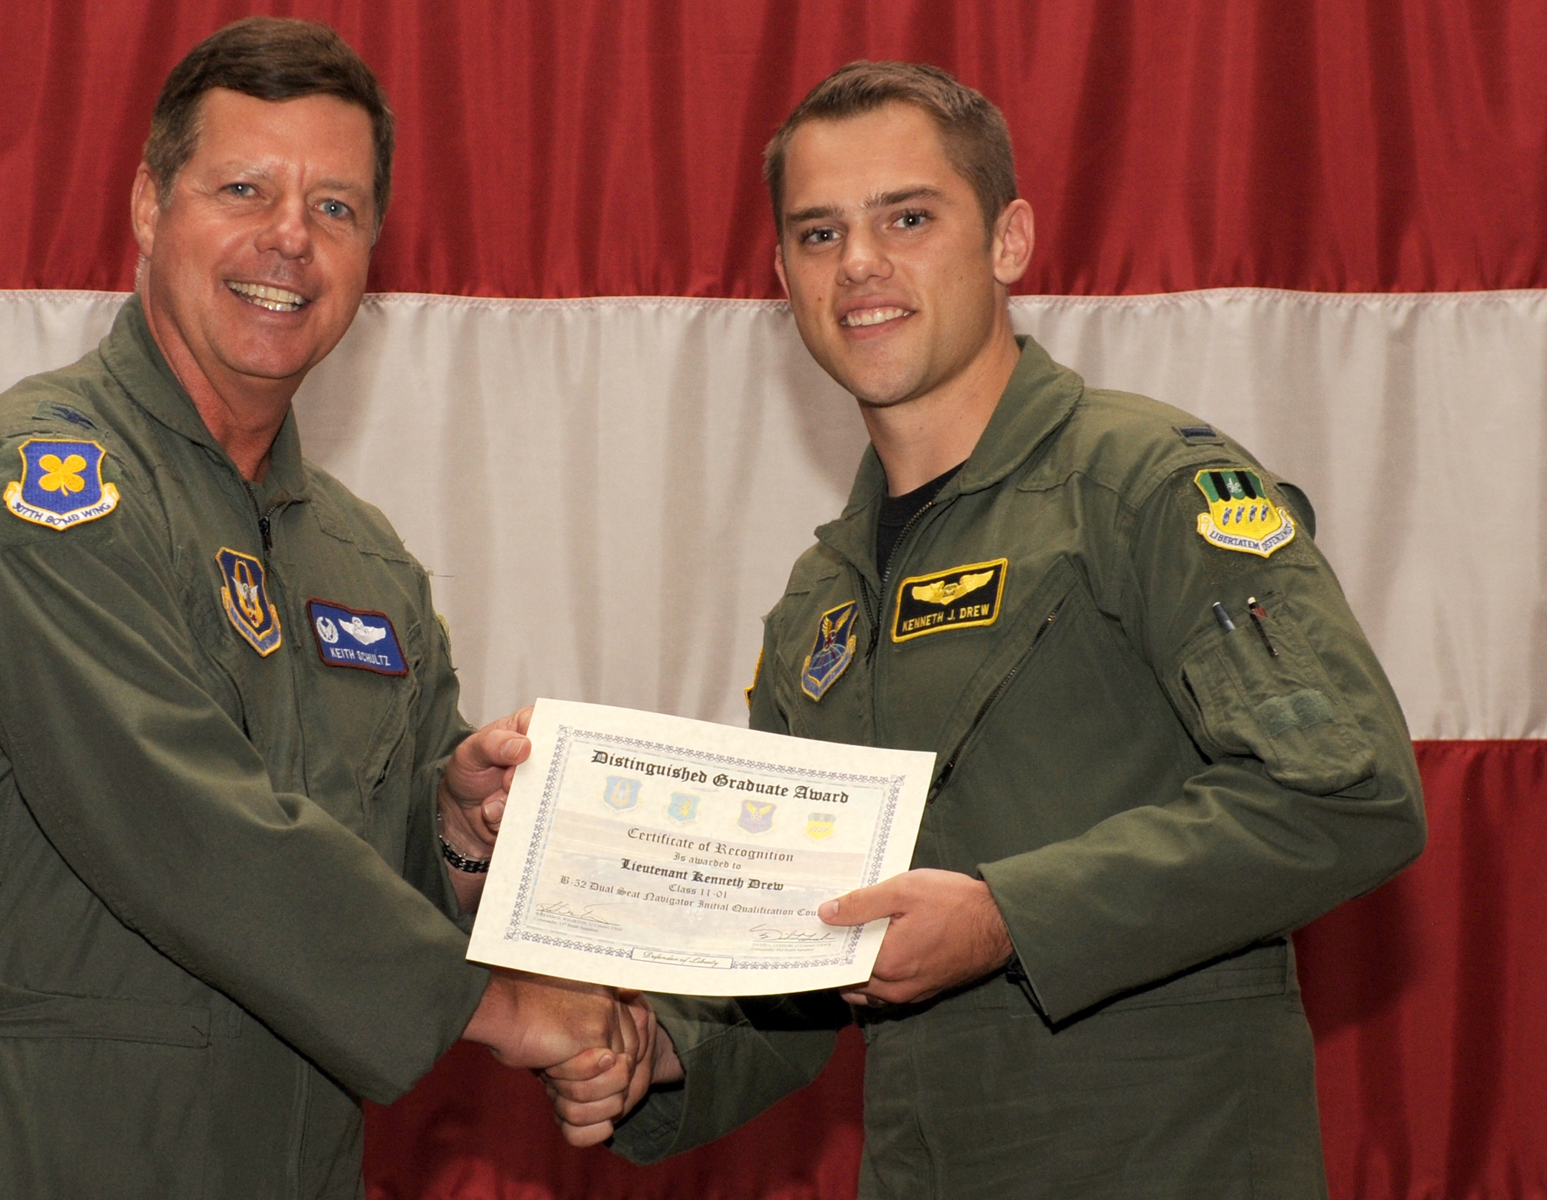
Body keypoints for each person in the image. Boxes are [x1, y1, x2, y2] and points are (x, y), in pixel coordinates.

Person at [552, 61, 1427, 1197]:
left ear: (1009, 240)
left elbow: (1346, 795)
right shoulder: (821, 603)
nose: (860, 262)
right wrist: (659, 1055)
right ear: (781, 278)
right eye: (819, 235)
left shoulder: (1148, 490)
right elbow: (796, 960)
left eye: (907, 218)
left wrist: (1010, 918)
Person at [0, 19, 642, 1198]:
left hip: (295, 1154)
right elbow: (179, 822)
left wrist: (460, 834)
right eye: (244, 188)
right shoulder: (32, 487)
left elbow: (381, 889)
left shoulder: (365, 562)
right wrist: (508, 1009)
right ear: (148, 207)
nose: (290, 238)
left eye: (336, 208)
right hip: (39, 1145)